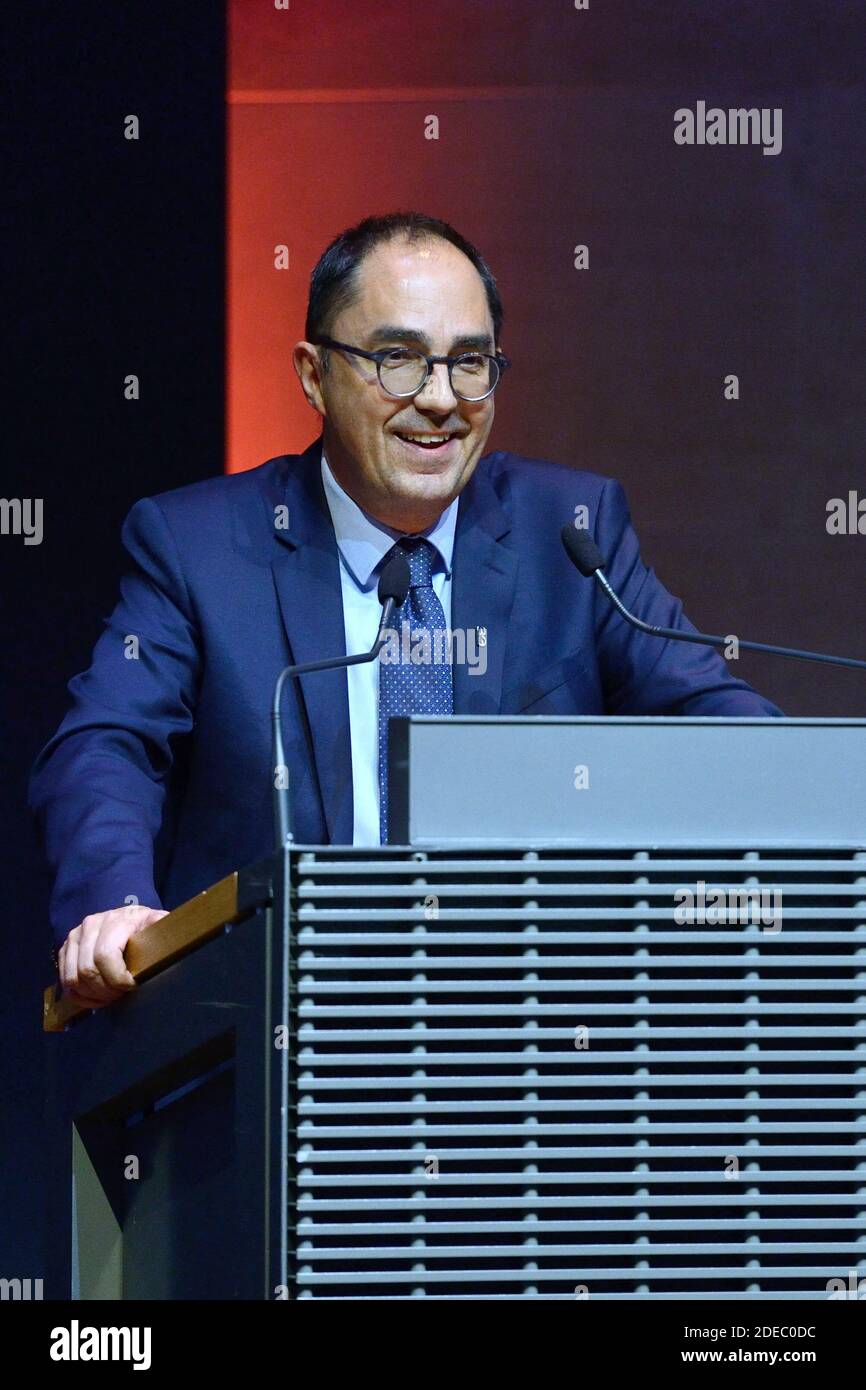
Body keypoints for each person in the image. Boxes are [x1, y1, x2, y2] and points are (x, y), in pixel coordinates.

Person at [29, 211, 782, 1011]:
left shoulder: (570, 532)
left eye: (470, 363)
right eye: (397, 360)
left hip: (523, 1038)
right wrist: (113, 901)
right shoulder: (198, 546)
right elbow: (106, 743)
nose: (440, 401)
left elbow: (723, 729)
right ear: (313, 374)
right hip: (268, 1024)